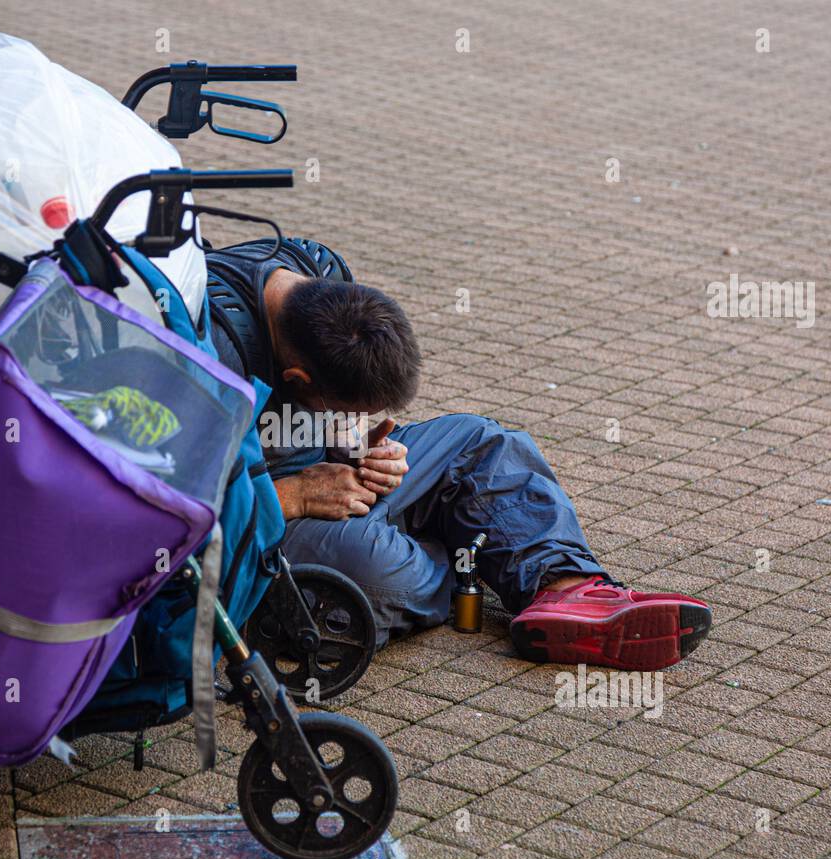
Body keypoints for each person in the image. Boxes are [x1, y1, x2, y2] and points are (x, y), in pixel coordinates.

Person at [204, 238, 710, 670]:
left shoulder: (317, 270)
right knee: (381, 572)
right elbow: (169, 505)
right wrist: (295, 493)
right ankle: (468, 559)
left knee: (483, 444)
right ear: (296, 380)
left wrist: (360, 446)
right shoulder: (209, 349)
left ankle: (569, 591)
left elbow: (343, 419)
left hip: (334, 482)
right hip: (256, 515)